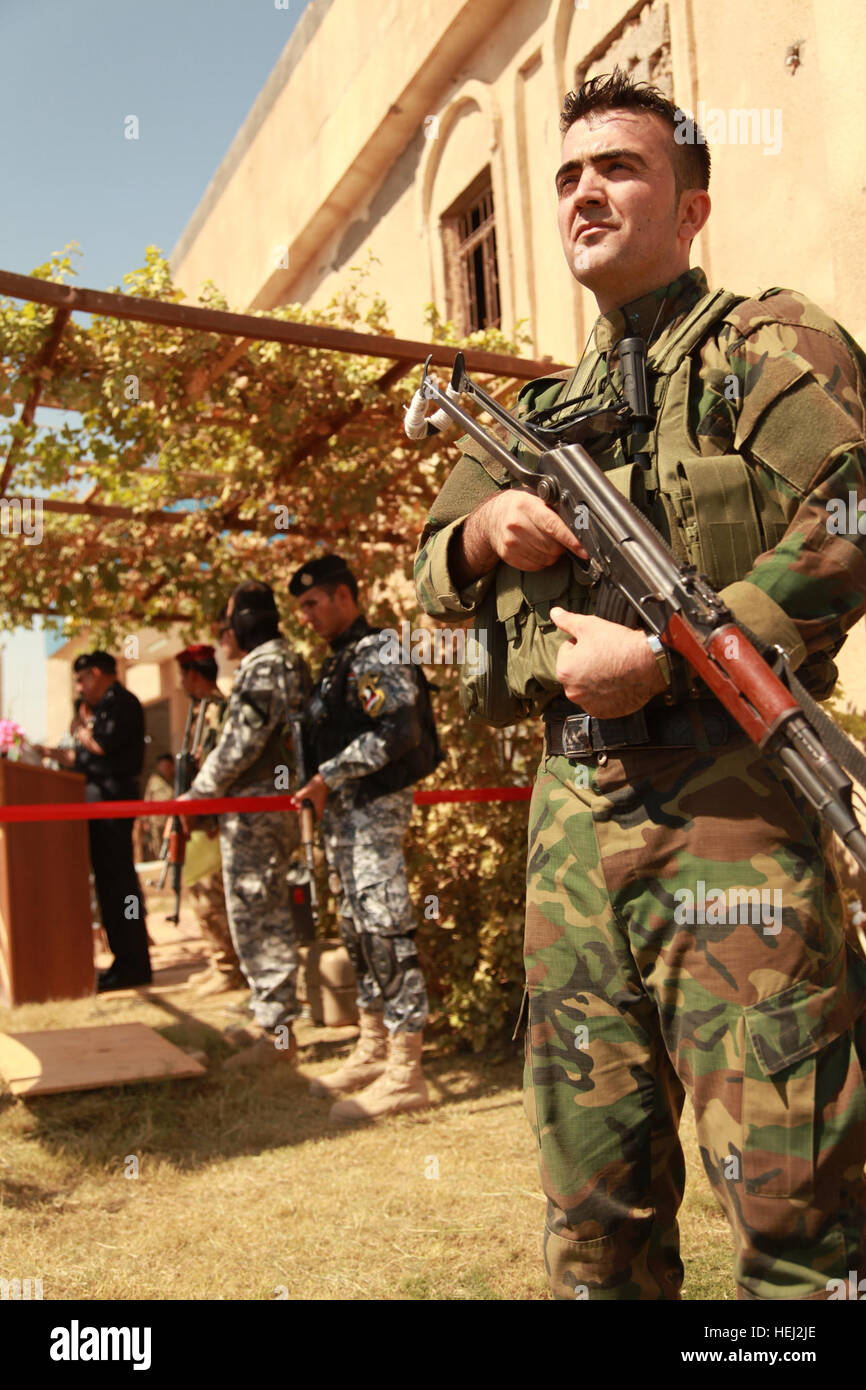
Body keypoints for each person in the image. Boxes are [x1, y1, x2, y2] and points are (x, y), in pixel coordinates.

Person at [414, 69, 866, 1300]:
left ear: (690, 207)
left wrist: (667, 657)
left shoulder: (767, 345)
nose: (583, 191)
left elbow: (853, 515)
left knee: (794, 1207)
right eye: (565, 174)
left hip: (728, 798)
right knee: (590, 1210)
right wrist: (485, 528)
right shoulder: (531, 413)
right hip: (570, 820)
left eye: (618, 167)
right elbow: (426, 579)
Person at [291, 553, 440, 1122]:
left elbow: (399, 731)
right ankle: (373, 1048)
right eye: (300, 607)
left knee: (385, 927)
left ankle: (406, 1073)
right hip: (344, 818)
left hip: (373, 811)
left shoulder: (378, 651)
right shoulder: (339, 661)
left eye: (312, 603)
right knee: (356, 927)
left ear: (344, 596)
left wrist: (328, 775)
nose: (305, 615)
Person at [181, 581, 308, 1067]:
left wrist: (197, 795)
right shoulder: (282, 661)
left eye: (228, 623)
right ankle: (271, 1023)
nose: (224, 633)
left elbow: (239, 745)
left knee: (257, 914)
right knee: (262, 909)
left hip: (258, 809)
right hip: (266, 806)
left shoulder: (266, 665)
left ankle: (277, 1036)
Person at [73, 651, 152, 992]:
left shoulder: (122, 702)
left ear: (96, 673)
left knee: (121, 885)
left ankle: (134, 962)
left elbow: (102, 745)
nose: (78, 688)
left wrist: (80, 730)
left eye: (81, 679)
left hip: (114, 801)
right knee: (108, 885)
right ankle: (123, 959)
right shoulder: (100, 706)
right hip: (97, 802)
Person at [173, 643, 244, 995]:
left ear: (194, 675)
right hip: (199, 813)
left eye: (183, 674)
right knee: (200, 889)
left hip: (213, 816)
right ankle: (219, 959)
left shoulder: (220, 710)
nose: (181, 682)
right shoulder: (200, 711)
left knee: (209, 891)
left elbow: (219, 767)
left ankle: (228, 966)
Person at [136, 753, 174, 862]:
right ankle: (161, 863)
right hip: (156, 819)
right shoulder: (154, 780)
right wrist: (145, 819)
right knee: (157, 845)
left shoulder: (176, 779)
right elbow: (148, 798)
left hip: (171, 818)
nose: (164, 768)